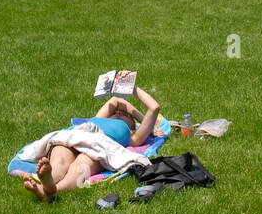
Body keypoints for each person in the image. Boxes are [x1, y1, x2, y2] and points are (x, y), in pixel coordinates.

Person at [21, 80, 161, 202]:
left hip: (101, 144)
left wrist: (148, 126)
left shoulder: (133, 137)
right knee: (59, 160)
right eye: (118, 112)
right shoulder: (99, 118)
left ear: (132, 126)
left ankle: (52, 190)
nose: (121, 111)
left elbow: (154, 108)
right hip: (80, 134)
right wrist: (137, 116)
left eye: (126, 115)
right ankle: (49, 180)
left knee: (79, 167)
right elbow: (116, 100)